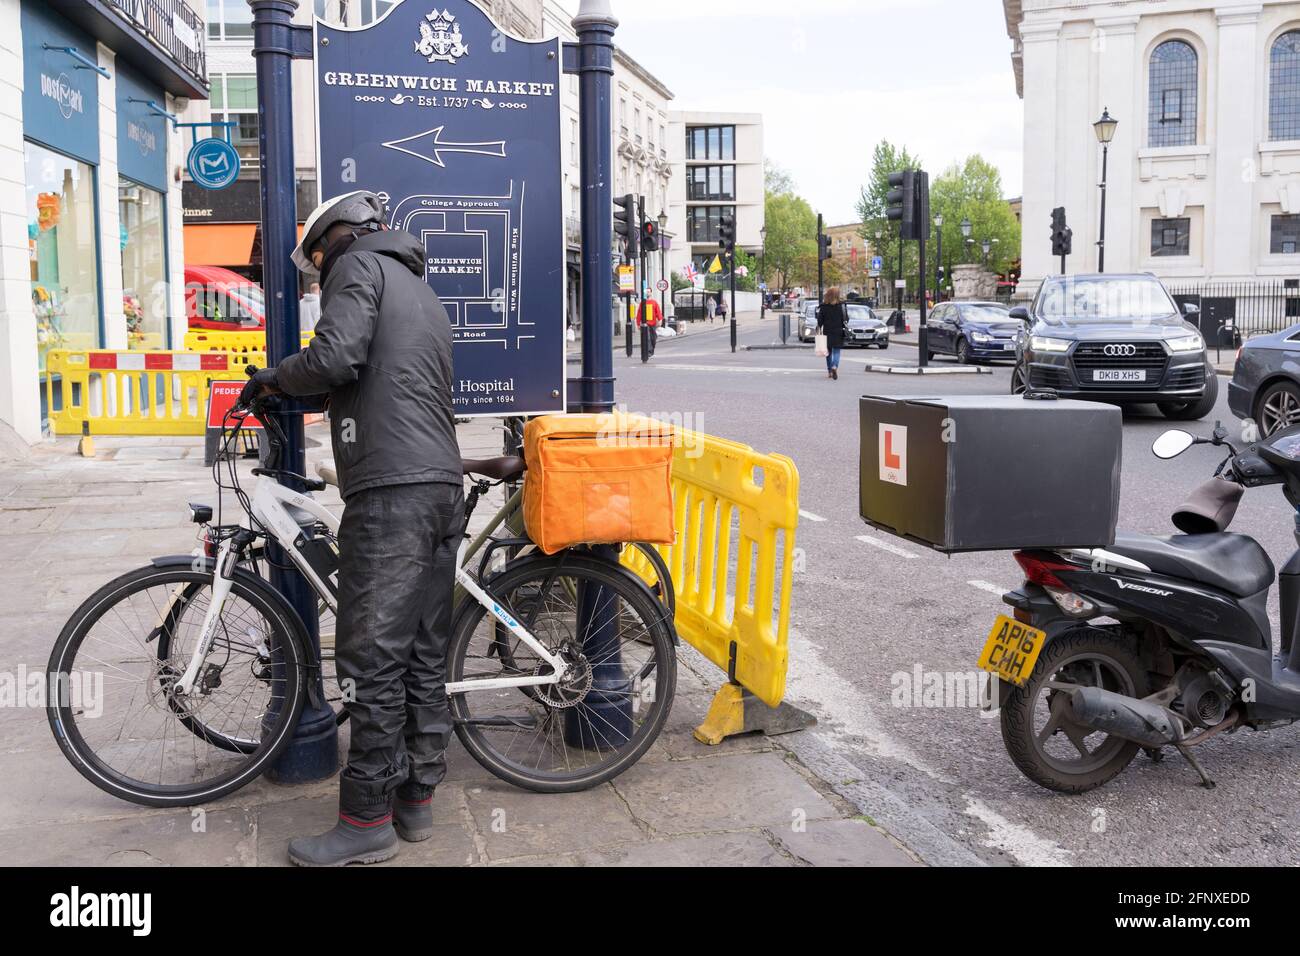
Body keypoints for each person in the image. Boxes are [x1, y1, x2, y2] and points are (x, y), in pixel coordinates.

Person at [239, 190, 464, 867]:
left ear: (336, 236)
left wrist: (272, 379)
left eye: (316, 257)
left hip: (392, 489)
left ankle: (365, 819)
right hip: (437, 485)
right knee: (423, 651)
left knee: (370, 655)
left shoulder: (357, 267)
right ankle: (416, 801)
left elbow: (336, 358)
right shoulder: (416, 283)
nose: (317, 270)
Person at [817, 286, 848, 380]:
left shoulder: (823, 306)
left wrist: (819, 328)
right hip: (838, 331)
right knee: (837, 351)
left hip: (827, 331)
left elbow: (819, 321)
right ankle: (835, 366)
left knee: (828, 352)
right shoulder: (842, 305)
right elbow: (846, 319)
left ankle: (830, 371)